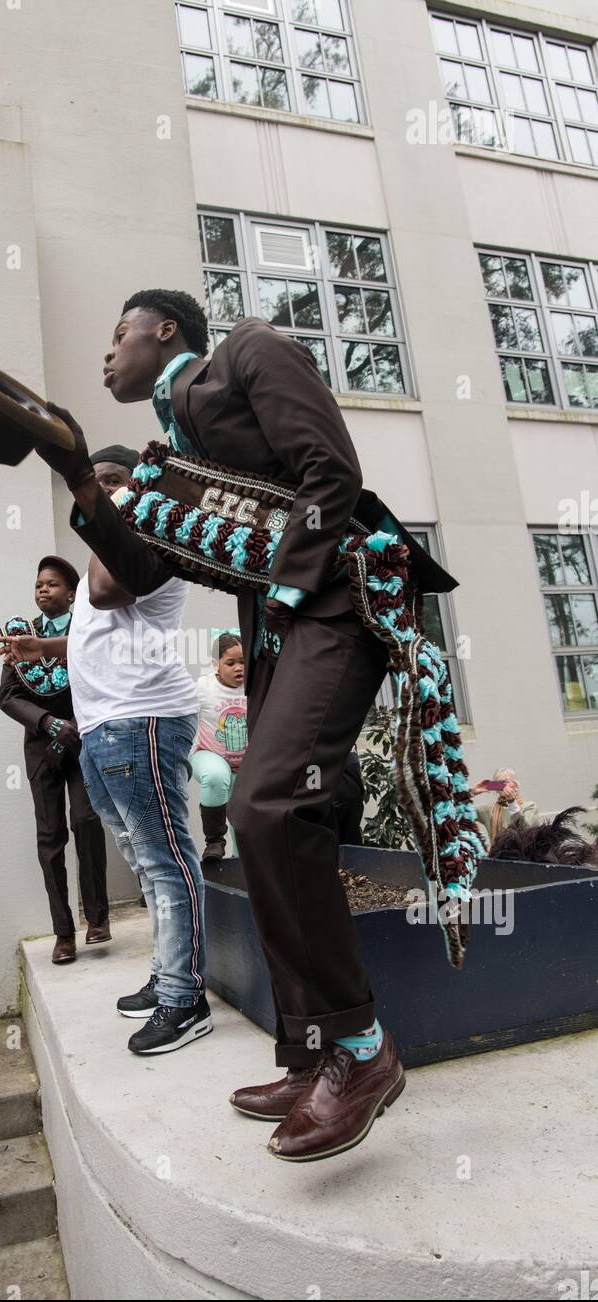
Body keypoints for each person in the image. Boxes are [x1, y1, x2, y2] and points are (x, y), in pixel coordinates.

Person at [33, 289, 458, 1162]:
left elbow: (331, 469)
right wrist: (77, 470)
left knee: (265, 805)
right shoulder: (164, 458)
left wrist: (293, 589)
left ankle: (365, 1050)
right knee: (264, 835)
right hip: (281, 632)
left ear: (164, 331)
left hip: (341, 600)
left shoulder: (250, 352)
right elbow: (141, 565)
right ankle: (309, 1052)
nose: (107, 356)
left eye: (118, 337)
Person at [0, 450, 212, 1057]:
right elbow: (96, 628)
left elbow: (103, 588)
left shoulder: (152, 540)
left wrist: (108, 510)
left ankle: (185, 998)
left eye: (115, 481)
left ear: (141, 489)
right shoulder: (116, 544)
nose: (104, 493)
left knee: (166, 857)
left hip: (141, 719)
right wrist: (44, 644)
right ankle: (168, 972)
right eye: (97, 483)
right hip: (101, 727)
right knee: (144, 862)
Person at [0, 556, 110, 965]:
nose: (43, 589)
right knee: (50, 838)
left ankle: (97, 918)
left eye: (53, 584)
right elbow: (7, 696)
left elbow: (102, 681)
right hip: (43, 749)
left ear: (72, 592)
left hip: (82, 743)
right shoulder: (19, 636)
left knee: (86, 820)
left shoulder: (88, 630)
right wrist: (46, 722)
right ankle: (64, 933)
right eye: (39, 584)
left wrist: (77, 724)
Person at [191, 631, 247, 862]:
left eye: (243, 662)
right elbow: (180, 715)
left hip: (247, 763)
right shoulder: (204, 687)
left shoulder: (257, 686)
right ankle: (214, 840)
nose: (238, 668)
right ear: (216, 664)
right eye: (230, 663)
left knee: (244, 821)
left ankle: (241, 867)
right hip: (210, 754)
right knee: (215, 777)